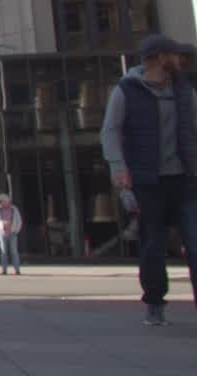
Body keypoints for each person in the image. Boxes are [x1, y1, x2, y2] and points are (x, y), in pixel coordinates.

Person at [100, 34, 197, 326]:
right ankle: (154, 302)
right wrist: (119, 167)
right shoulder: (126, 91)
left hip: (185, 179)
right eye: (174, 55)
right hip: (147, 180)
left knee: (195, 241)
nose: (179, 60)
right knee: (153, 243)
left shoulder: (184, 91)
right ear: (158, 58)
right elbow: (110, 131)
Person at [0, 193, 23, 275]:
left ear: (8, 201)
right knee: (3, 252)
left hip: (12, 233)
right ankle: (4, 270)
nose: (2, 203)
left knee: (14, 252)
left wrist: (16, 230)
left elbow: (19, 221)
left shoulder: (14, 209)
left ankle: (17, 270)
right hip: (2, 233)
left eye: (3, 201)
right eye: (0, 202)